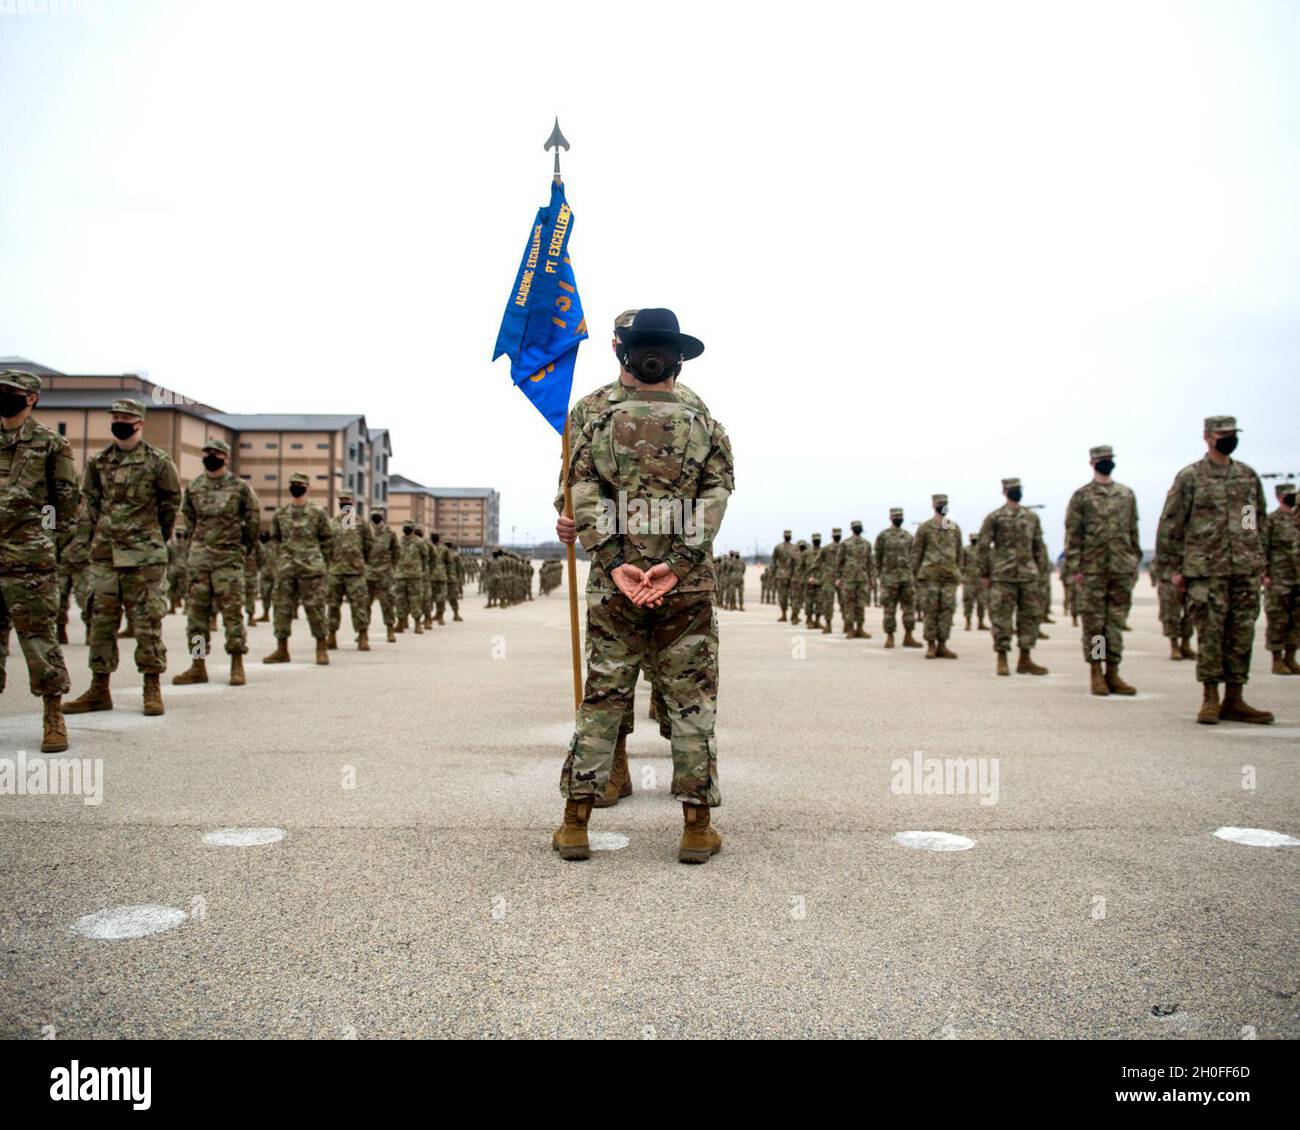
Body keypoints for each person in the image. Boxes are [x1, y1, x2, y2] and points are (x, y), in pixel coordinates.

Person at [552, 309, 732, 863]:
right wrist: (675, 566)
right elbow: (715, 499)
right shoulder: (704, 422)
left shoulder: (599, 424)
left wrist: (612, 560)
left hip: (616, 587)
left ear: (624, 356)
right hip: (686, 590)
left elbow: (581, 490)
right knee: (691, 704)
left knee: (603, 697)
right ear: (677, 360)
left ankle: (576, 823)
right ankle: (696, 828)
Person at [65, 398, 180, 717]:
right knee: (100, 623)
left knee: (147, 624)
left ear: (140, 422)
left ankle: (151, 687)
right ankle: (99, 688)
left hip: (144, 558)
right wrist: (86, 544)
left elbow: (170, 505)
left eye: (125, 417)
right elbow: (90, 506)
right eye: (115, 416)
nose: (119, 421)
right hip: (104, 557)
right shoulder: (98, 462)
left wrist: (152, 537)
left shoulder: (158, 461)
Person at [1157, 417, 1273, 724]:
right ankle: (1210, 697)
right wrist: (1172, 568)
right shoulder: (1191, 477)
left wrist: (1257, 558)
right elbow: (1172, 524)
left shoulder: (1247, 476)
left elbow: (1255, 519)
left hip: (1244, 570)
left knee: (1241, 634)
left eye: (1233, 434)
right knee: (1209, 634)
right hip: (1205, 570)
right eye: (1224, 434)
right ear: (1208, 437)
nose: (1230, 439)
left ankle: (1235, 697)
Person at [0, 369, 80, 752]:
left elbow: (63, 506)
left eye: (10, 392)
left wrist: (44, 543)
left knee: (38, 641)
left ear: (31, 397)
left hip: (29, 562)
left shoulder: (51, 444)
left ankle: (53, 716)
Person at [172, 438, 259, 687]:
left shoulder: (239, 487)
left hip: (227, 560)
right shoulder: (195, 486)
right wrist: (195, 545)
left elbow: (252, 519)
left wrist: (242, 547)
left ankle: (236, 663)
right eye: (207, 452)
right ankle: (198, 665)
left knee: (232, 614)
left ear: (226, 457)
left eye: (216, 453)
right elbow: (189, 519)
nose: (211, 456)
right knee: (196, 617)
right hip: (199, 561)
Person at [1064, 445, 1141, 696]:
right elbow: (1073, 536)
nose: (1105, 462)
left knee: (1116, 624)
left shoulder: (1126, 495)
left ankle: (1114, 672)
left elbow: (1133, 531)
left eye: (1108, 459)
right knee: (1095, 625)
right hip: (1093, 571)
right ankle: (1096, 671)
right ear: (1092, 463)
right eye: (1101, 459)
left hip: (1121, 568)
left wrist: (1134, 561)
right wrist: (1076, 567)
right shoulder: (1082, 497)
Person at [977, 477, 1049, 676]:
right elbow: (983, 547)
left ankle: (1025, 658)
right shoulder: (995, 517)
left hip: (1028, 576)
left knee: (1030, 618)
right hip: (1003, 576)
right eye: (1012, 489)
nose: (1015, 491)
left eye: (1018, 488)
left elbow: (1038, 547)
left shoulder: (1031, 517)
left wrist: (1042, 573)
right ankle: (1002, 658)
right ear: (1004, 491)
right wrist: (984, 573)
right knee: (1001, 619)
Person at [263, 471, 333, 665]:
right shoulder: (281, 513)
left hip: (312, 568)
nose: (296, 487)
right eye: (293, 483)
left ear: (308, 488)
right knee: (282, 609)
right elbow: (275, 539)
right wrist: (279, 561)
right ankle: (282, 649)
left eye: (300, 484)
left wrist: (321, 562)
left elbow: (328, 540)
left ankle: (321, 647)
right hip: (287, 567)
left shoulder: (318, 513)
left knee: (316, 609)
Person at [912, 494, 962, 659]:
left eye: (945, 503)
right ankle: (931, 645)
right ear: (933, 505)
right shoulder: (925, 527)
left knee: (947, 611)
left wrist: (958, 571)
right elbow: (917, 553)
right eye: (940, 503)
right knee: (931, 610)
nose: (943, 506)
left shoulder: (953, 527)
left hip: (949, 575)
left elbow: (959, 552)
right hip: (930, 576)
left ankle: (942, 644)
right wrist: (916, 575)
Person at [326, 489, 374, 651]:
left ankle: (362, 636)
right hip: (336, 571)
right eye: (341, 500)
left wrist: (361, 561)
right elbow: (326, 546)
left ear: (353, 503)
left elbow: (370, 545)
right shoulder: (332, 523)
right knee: (332, 605)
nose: (344, 502)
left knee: (359, 605)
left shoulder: (361, 524)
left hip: (355, 572)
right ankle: (331, 636)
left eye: (347, 500)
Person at [1263, 482, 1299, 675]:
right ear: (1278, 497)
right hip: (1278, 578)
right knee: (1278, 619)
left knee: (1297, 620)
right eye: (1287, 495)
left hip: (1297, 578)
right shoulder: (1271, 521)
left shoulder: (1298, 519)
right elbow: (1262, 548)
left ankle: (1291, 658)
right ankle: (1277, 660)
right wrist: (1264, 573)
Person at [876, 508, 920, 649]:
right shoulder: (883, 536)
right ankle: (890, 636)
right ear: (890, 517)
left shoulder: (908, 536)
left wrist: (913, 574)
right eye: (896, 516)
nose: (898, 518)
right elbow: (877, 557)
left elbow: (914, 556)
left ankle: (908, 636)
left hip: (906, 578)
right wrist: (880, 575)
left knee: (909, 608)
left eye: (900, 515)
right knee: (889, 609)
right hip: (889, 578)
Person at [834, 520, 874, 638]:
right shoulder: (845, 543)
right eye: (856, 527)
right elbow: (839, 562)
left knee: (861, 604)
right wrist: (838, 577)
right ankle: (850, 628)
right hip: (848, 578)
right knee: (849, 604)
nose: (858, 528)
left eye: (859, 527)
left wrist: (872, 577)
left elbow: (870, 563)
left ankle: (860, 628)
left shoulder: (866, 544)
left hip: (862, 578)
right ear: (852, 529)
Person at [366, 508, 400, 643]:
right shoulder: (366, 531)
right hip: (367, 573)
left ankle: (390, 630)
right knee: (364, 604)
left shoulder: (390, 533)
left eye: (378, 515)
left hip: (384, 573)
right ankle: (363, 632)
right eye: (374, 515)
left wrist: (392, 567)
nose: (376, 517)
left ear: (383, 516)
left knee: (387, 603)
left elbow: (397, 551)